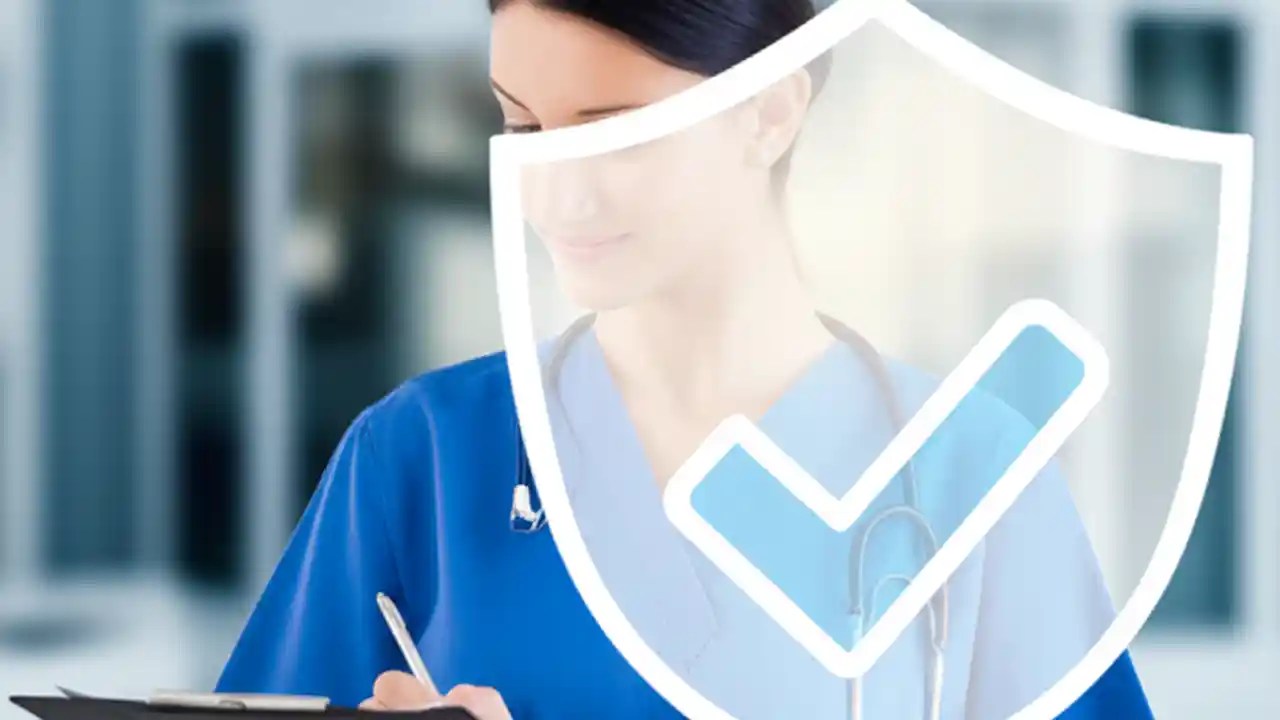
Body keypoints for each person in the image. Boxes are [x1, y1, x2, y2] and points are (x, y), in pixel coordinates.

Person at [215, 1, 1153, 718]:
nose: (558, 194)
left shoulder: (972, 475)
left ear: (771, 111)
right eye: (525, 128)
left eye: (616, 128)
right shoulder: (425, 458)